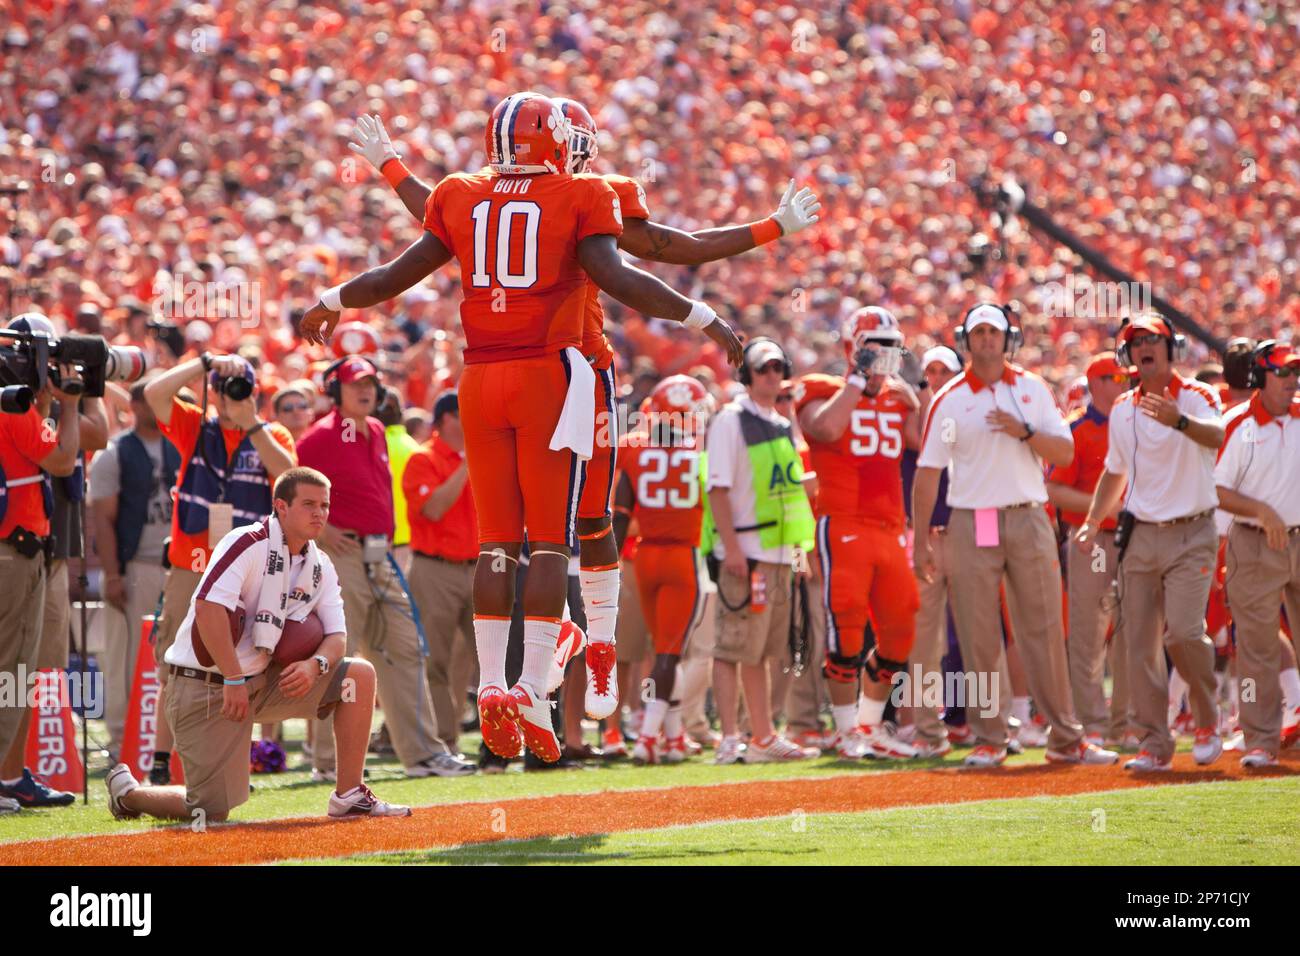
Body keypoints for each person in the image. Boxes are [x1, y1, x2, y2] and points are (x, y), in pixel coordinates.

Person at [301, 91, 743, 764]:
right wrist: (703, 319)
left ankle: (496, 684)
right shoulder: (582, 192)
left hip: (478, 380)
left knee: (498, 546)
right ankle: (534, 688)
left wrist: (331, 298)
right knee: (554, 543)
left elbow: (399, 270)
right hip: (551, 376)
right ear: (553, 142)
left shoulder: (462, 192)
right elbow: (619, 272)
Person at [104, 467, 409, 822]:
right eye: (308, 504)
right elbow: (208, 607)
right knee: (208, 810)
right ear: (280, 506)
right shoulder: (246, 542)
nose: (319, 513)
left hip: (261, 683)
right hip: (205, 684)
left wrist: (316, 665)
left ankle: (349, 795)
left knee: (358, 675)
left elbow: (337, 636)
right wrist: (233, 678)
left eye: (324, 505)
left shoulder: (319, 564)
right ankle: (129, 794)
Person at [914, 303, 1117, 768]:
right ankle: (990, 736)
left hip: (1027, 515)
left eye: (994, 331)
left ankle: (1065, 735)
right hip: (972, 518)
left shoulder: (1031, 388)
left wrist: (1023, 431)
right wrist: (921, 538)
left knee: (1045, 627)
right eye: (979, 331)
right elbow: (927, 473)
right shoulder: (950, 398)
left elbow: (1063, 453)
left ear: (1009, 338)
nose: (987, 339)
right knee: (977, 631)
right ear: (967, 337)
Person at [297, 356, 471, 778]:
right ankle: (325, 761)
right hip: (342, 554)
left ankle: (422, 754)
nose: (367, 390)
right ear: (335, 390)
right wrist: (322, 530)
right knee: (338, 650)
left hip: (381, 553)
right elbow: (286, 485)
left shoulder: (375, 429)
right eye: (356, 383)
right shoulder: (320, 436)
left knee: (405, 648)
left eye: (372, 382)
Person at [1076, 315, 1226, 772]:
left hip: (1191, 530)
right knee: (1137, 644)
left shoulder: (1199, 396)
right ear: (1128, 356)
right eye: (1135, 342)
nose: (1145, 348)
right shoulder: (1122, 408)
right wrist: (1091, 520)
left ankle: (1205, 718)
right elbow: (1115, 470)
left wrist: (1179, 421)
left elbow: (1217, 436)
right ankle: (1154, 743)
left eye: (1152, 341)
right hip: (1140, 534)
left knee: (1182, 632)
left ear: (1170, 347)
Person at [143, 351, 297, 784]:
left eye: (240, 388)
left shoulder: (272, 434)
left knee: (252, 659)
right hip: (190, 565)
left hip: (247, 572)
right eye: (224, 390)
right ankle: (160, 760)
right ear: (211, 393)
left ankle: (251, 754)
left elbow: (290, 478)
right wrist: (204, 363)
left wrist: (251, 422)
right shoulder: (196, 426)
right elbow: (153, 393)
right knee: (174, 661)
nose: (230, 397)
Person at [795, 307, 921, 759]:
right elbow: (823, 428)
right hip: (843, 522)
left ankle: (869, 726)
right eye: (875, 345)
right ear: (853, 347)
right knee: (846, 626)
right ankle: (846, 730)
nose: (885, 355)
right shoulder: (821, 389)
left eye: (891, 345)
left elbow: (925, 445)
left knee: (902, 627)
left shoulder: (898, 395)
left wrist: (918, 398)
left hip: (890, 528)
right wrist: (856, 381)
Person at [0, 312, 109, 809]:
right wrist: (64, 401)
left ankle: (10, 772)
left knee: (24, 668)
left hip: (41, 549)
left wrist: (69, 395)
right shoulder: (15, 407)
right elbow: (62, 458)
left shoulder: (37, 407)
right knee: (10, 668)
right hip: (17, 549)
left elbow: (96, 436)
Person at [707, 338, 818, 764]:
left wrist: (796, 552)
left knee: (763, 651)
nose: (771, 374)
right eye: (763, 367)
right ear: (747, 373)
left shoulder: (779, 422)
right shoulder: (731, 421)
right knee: (731, 645)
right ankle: (730, 737)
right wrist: (731, 547)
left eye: (777, 367)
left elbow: (788, 496)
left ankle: (762, 735)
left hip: (777, 551)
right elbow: (717, 487)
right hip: (747, 552)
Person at [612, 375, 712, 763]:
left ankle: (672, 736)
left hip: (645, 558)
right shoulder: (702, 454)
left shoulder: (634, 451)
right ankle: (648, 736)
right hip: (682, 559)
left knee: (662, 648)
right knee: (669, 652)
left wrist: (613, 564)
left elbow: (620, 514)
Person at [1213, 340, 1300, 768]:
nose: (1291, 380)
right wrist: (1260, 510)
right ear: (1260, 377)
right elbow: (1216, 488)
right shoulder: (1238, 424)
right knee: (1256, 645)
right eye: (1282, 372)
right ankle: (1260, 738)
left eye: (1294, 372)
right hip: (1253, 539)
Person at [1044, 352, 1135, 748]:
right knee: (1088, 633)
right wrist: (1105, 509)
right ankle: (1092, 721)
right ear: (1095, 382)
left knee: (1134, 632)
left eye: (1124, 377)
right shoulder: (1077, 429)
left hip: (1135, 537)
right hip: (1090, 538)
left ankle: (1126, 722)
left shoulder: (1137, 422)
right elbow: (1055, 490)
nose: (1123, 384)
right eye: (1114, 377)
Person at [90, 378, 179, 761]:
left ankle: (171, 745)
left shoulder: (182, 443)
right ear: (135, 406)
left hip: (178, 565)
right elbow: (103, 520)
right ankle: (119, 743)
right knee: (125, 659)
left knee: (177, 659)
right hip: (136, 564)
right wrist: (112, 574)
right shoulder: (115, 452)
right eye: (146, 402)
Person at [404, 389, 479, 758]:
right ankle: (444, 742)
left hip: (478, 566)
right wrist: (468, 465)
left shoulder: (479, 455)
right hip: (435, 569)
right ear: (448, 418)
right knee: (436, 659)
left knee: (479, 657)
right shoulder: (424, 458)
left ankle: (487, 740)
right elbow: (433, 509)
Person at [898, 345, 962, 756]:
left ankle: (978, 719)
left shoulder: (967, 410)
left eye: (942, 372)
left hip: (966, 530)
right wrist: (922, 394)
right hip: (923, 533)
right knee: (924, 637)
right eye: (928, 374)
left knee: (977, 631)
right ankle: (925, 725)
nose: (934, 379)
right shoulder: (914, 411)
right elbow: (920, 440)